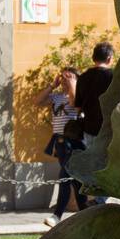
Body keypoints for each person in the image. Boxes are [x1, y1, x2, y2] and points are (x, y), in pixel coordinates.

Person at [36, 68, 88, 226]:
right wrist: (53, 85)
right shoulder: (57, 97)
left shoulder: (79, 96)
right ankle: (85, 213)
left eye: (68, 77)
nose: (65, 80)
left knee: (65, 176)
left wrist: (73, 84)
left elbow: (75, 104)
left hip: (73, 141)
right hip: (59, 142)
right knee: (76, 180)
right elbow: (37, 102)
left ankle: (57, 215)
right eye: (63, 77)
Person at [75, 42, 116, 204]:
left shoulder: (83, 77)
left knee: (94, 163)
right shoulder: (113, 77)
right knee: (108, 165)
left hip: (88, 128)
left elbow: (77, 105)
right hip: (108, 128)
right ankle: (100, 200)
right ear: (109, 58)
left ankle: (95, 198)